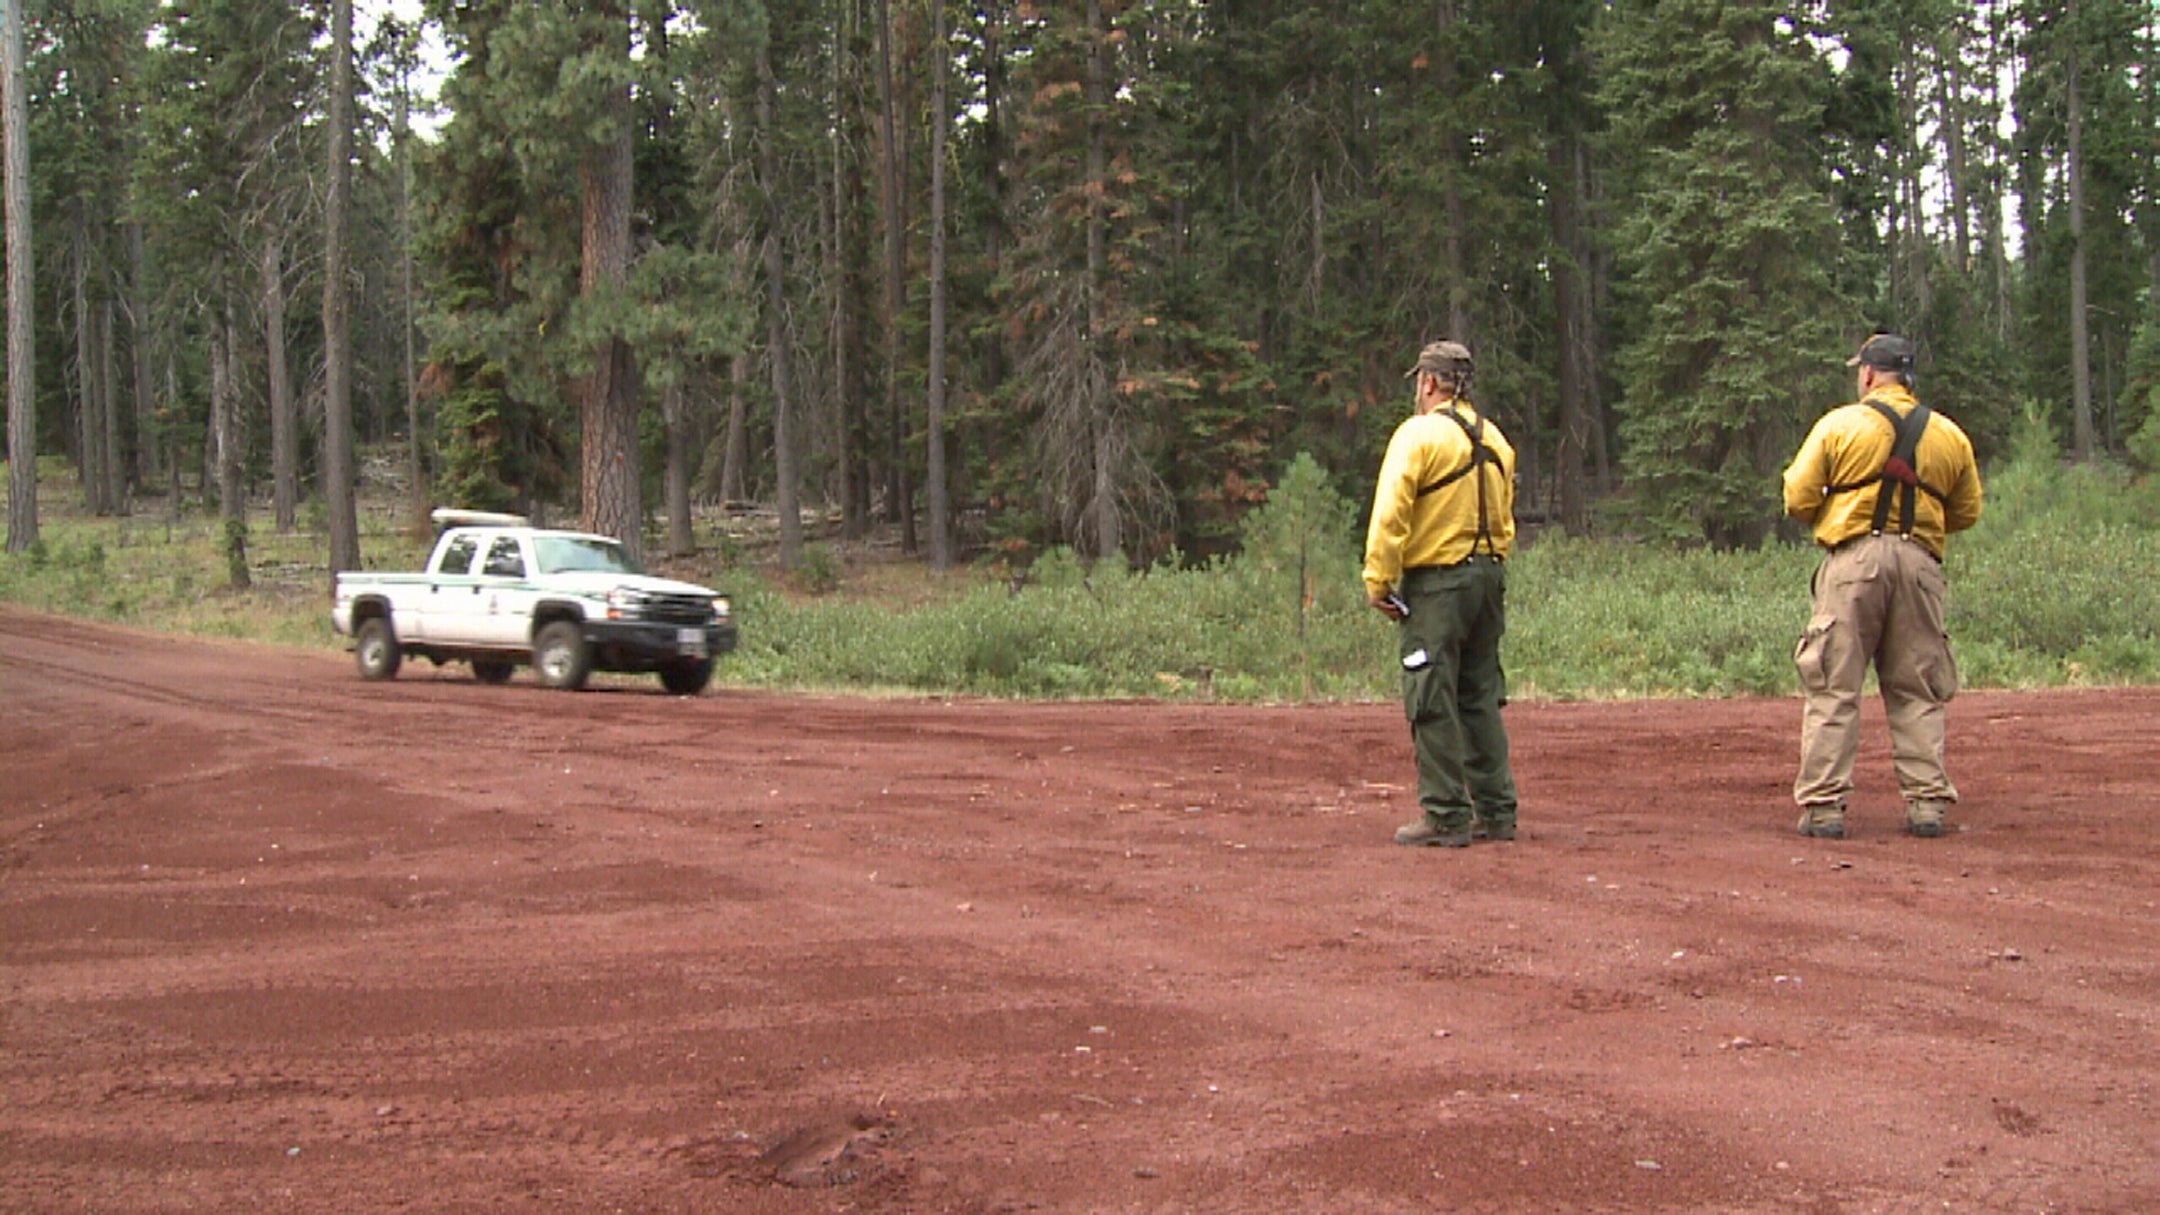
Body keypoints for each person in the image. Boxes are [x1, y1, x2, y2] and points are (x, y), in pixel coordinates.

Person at [1781, 332, 1983, 839]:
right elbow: (1967, 512)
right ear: (1908, 378)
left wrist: (1839, 513)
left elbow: (1798, 497)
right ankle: (1927, 806)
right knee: (1918, 687)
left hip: (1852, 564)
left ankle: (1824, 809)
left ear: (1869, 374)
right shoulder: (1949, 435)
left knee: (1833, 683)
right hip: (1919, 564)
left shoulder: (1840, 424)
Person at [1363, 340, 1520, 848]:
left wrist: (1378, 580)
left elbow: (1392, 513)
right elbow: (1506, 519)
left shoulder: (1419, 435)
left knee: (1430, 693)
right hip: (1489, 578)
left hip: (1437, 584)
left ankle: (1446, 814)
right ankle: (1496, 811)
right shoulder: (1497, 441)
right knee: (1478, 695)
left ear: (1429, 383)